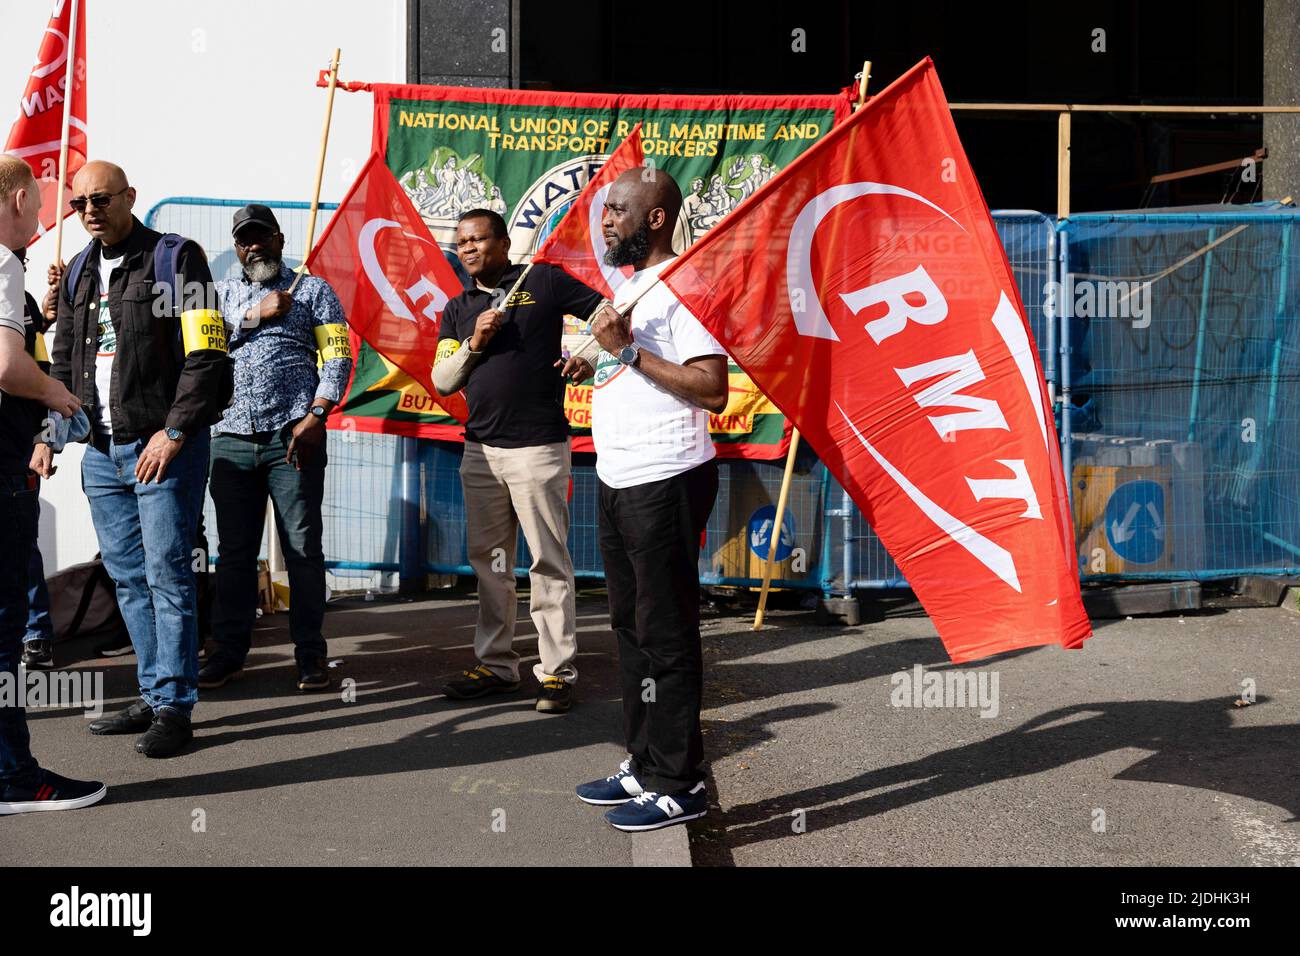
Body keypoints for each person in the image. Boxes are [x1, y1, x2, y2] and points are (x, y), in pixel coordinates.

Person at [47, 160, 231, 758]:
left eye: (101, 198)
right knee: (127, 578)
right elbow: (63, 360)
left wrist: (174, 433)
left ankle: (175, 708)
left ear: (129, 197)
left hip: (162, 449)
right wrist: (51, 434)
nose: (90, 210)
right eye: (79, 204)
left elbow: (208, 354)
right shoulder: (77, 271)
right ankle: (153, 695)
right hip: (100, 452)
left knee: (167, 576)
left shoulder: (177, 259)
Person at [564, 168, 728, 831]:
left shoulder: (685, 287)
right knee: (630, 633)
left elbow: (711, 388)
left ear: (654, 220)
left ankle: (680, 782)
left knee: (666, 634)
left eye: (618, 211)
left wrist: (625, 353)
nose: (604, 221)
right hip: (619, 476)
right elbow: (630, 364)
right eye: (604, 210)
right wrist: (598, 360)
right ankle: (645, 761)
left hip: (666, 479)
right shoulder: (631, 285)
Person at [433, 208, 602, 713]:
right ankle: (497, 665)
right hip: (480, 452)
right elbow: (443, 380)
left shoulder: (542, 280)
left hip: (538, 449)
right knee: (491, 566)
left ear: (504, 243)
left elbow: (609, 315)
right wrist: (476, 342)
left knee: (547, 564)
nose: (467, 249)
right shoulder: (457, 307)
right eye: (461, 242)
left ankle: (556, 672)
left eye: (477, 240)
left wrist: (588, 357)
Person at [198, 205, 351, 693]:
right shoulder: (218, 294)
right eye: (244, 239)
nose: (254, 246)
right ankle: (228, 653)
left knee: (303, 549)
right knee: (234, 554)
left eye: (261, 236)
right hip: (230, 440)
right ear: (237, 247)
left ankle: (310, 655)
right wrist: (254, 313)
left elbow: (339, 356)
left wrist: (318, 413)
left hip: (293, 437)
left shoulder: (313, 290)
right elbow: (199, 350)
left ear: (280, 238)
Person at [0, 154, 106, 813]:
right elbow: (8, 367)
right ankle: (14, 776)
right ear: (14, 198)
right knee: (4, 628)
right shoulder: (3, 264)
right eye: (40, 200)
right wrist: (57, 394)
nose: (46, 214)